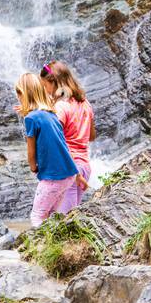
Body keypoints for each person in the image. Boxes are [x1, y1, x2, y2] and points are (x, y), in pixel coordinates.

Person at [14, 72, 79, 227]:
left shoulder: (30, 119)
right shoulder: (51, 114)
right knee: (50, 215)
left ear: (25, 94)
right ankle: (53, 245)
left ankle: (38, 250)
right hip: (68, 174)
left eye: (19, 95)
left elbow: (31, 151)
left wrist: (33, 167)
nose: (18, 98)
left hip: (53, 177)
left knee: (37, 215)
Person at [41, 61, 95, 210]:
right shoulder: (85, 104)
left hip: (68, 168)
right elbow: (91, 136)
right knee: (70, 219)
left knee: (63, 223)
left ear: (53, 82)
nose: (46, 91)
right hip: (84, 166)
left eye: (45, 86)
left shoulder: (60, 107)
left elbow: (57, 141)